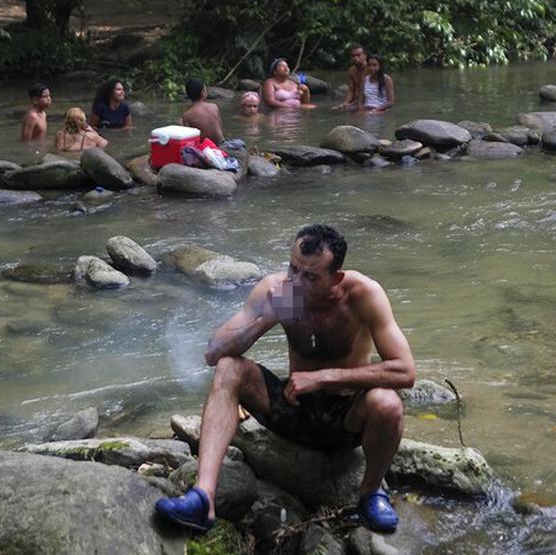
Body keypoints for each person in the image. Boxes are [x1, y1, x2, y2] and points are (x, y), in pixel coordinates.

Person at [154, 224, 415, 534]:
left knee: (387, 402)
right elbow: (213, 353)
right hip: (293, 409)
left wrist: (324, 378)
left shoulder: (364, 294)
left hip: (346, 420)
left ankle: (371, 494)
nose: (297, 281)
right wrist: (269, 316)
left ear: (337, 278)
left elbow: (405, 371)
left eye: (311, 277)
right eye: (293, 269)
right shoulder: (277, 289)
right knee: (229, 368)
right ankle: (203, 498)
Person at [180, 78, 225, 144]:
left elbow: (189, 139)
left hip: (206, 148)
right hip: (222, 144)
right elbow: (220, 128)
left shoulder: (187, 116)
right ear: (203, 92)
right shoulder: (214, 106)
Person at [334, 45, 368, 110]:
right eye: (353, 56)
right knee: (336, 110)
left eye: (358, 55)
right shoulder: (352, 70)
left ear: (365, 56)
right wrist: (346, 102)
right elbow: (351, 90)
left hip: (368, 101)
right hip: (356, 101)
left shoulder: (370, 70)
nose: (355, 58)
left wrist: (354, 104)